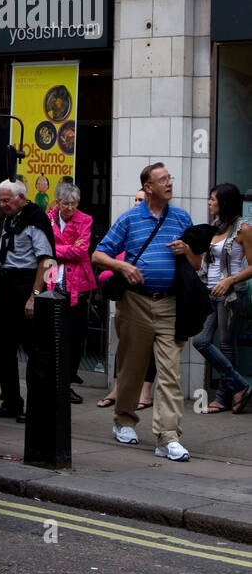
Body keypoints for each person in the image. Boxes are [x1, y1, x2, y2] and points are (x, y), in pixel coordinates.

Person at [92, 162, 194, 461]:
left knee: (170, 372)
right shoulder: (129, 219)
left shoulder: (182, 218)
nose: (169, 184)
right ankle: (124, 420)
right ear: (148, 188)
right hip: (135, 302)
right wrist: (122, 265)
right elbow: (99, 255)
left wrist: (187, 251)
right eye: (162, 180)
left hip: (169, 303)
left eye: (169, 179)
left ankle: (167, 436)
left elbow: (197, 263)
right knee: (132, 368)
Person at [0, 178, 56, 420]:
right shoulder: (10, 217)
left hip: (26, 284)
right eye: (1, 200)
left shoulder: (35, 218)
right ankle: (11, 401)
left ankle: (37, 406)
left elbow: (46, 260)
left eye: (7, 200)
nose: (3, 204)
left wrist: (34, 296)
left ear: (20, 198)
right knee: (2, 347)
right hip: (5, 286)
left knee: (33, 350)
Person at [190, 184, 252, 413]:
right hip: (209, 292)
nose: (209, 202)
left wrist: (229, 281)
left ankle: (225, 397)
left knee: (227, 344)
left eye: (212, 199)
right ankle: (240, 385)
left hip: (232, 295)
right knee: (201, 341)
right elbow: (200, 262)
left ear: (224, 202)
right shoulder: (214, 228)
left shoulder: (243, 229)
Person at [98, 187, 156, 409]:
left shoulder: (160, 226)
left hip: (151, 297)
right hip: (126, 296)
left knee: (149, 345)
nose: (136, 203)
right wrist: (120, 268)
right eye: (135, 199)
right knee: (123, 343)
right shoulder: (127, 225)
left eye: (141, 199)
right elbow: (102, 259)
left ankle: (145, 392)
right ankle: (116, 388)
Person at [48, 181, 95, 403]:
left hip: (77, 286)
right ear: (57, 202)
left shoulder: (85, 220)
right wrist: (68, 248)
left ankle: (67, 383)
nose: (70, 209)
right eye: (66, 204)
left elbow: (81, 250)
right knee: (53, 336)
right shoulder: (47, 218)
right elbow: (45, 248)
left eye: (74, 204)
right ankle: (53, 383)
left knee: (75, 338)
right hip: (51, 283)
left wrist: (59, 249)